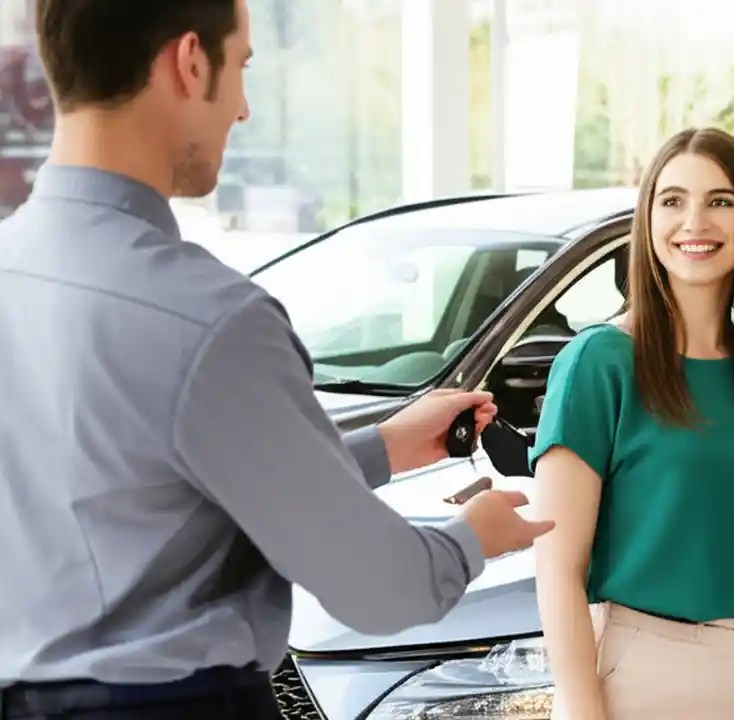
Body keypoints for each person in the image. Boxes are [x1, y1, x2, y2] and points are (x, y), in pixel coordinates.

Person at [0, 2, 552, 718]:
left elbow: (147, 496)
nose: (243, 109)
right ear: (190, 62)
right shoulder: (210, 320)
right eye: (242, 67)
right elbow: (380, 588)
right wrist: (474, 537)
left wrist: (382, 447)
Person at [530, 127, 734, 720]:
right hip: (643, 678)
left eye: (720, 201)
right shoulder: (599, 363)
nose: (695, 221)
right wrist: (582, 709)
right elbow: (558, 566)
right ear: (648, 219)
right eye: (672, 200)